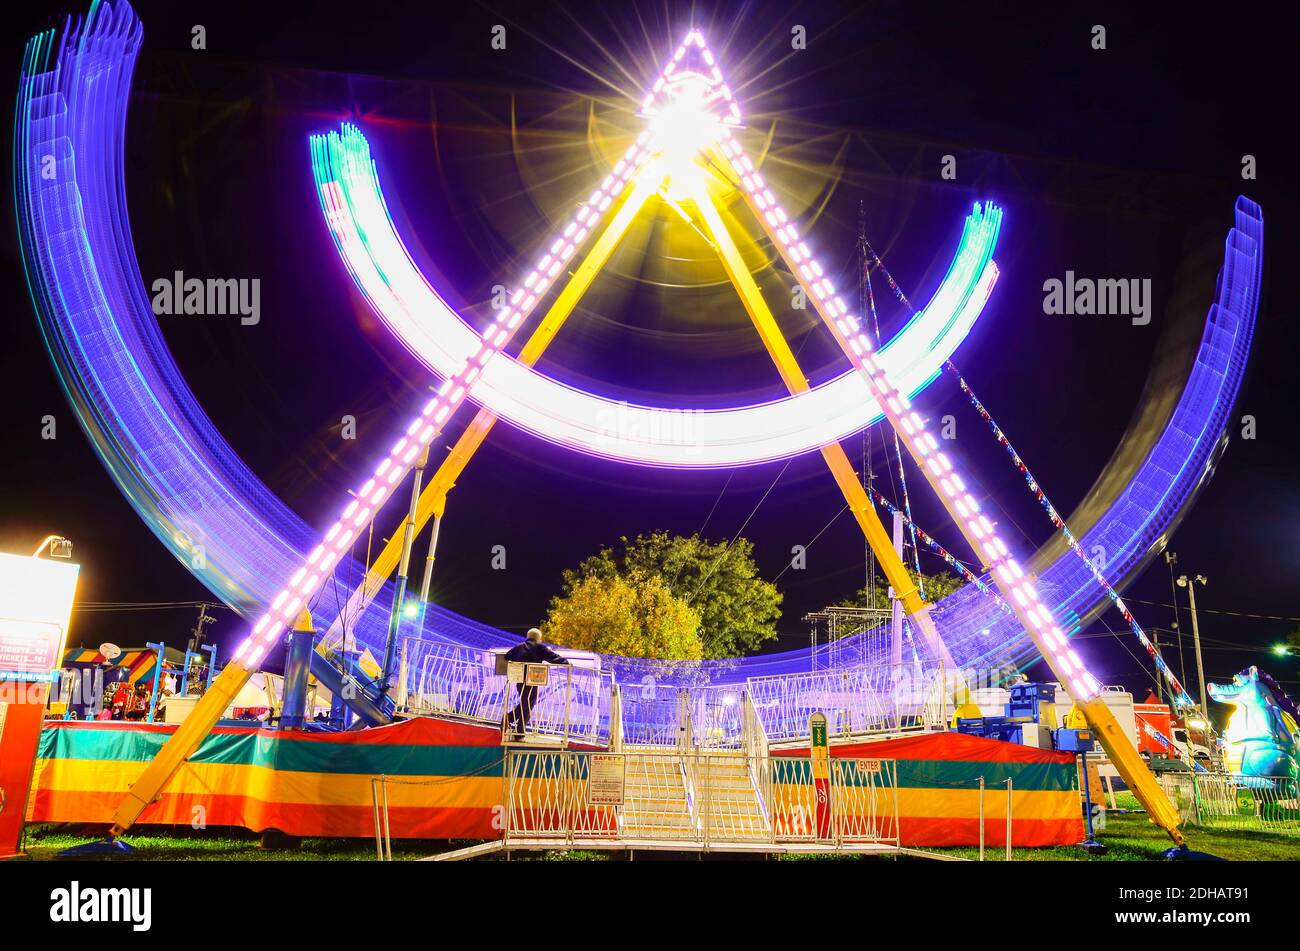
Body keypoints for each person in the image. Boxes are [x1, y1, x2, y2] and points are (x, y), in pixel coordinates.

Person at [504, 628, 569, 737]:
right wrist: (566, 662)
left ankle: (508, 719)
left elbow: (507, 656)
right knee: (528, 704)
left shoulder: (519, 647)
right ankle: (519, 731)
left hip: (519, 679)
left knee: (525, 703)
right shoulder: (539, 647)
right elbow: (553, 657)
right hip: (532, 679)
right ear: (538, 638)